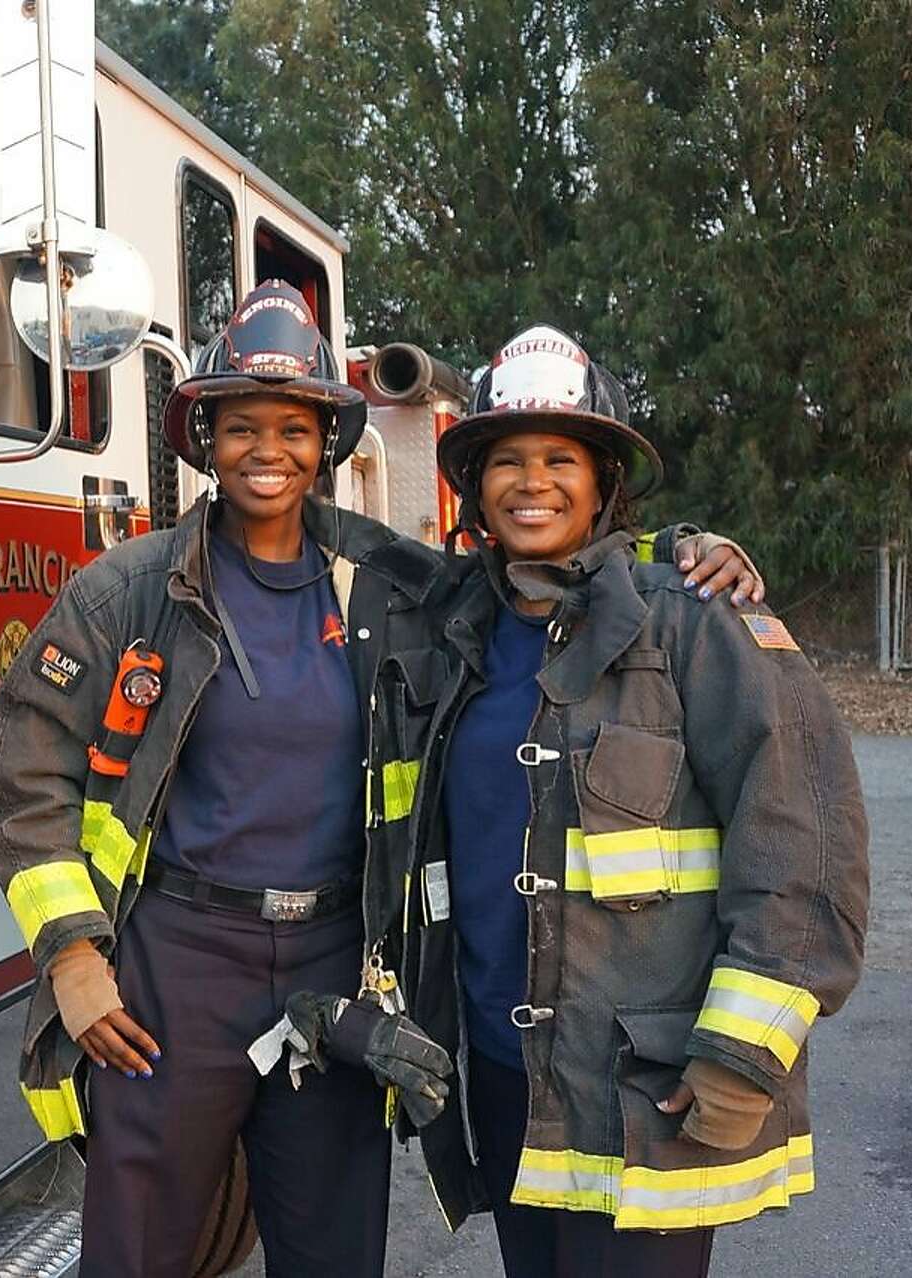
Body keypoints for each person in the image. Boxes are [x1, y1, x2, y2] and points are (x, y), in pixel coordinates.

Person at [0, 286, 764, 1278]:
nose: (269, 451)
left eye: (295, 429)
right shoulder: (125, 593)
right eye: (244, 427)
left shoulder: (392, 583)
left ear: (327, 444)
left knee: (334, 1248)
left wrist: (678, 552)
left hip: (338, 965)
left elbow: (543, 562)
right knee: (139, 1250)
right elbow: (21, 781)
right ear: (205, 438)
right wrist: (74, 958)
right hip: (177, 966)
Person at [337, 324, 866, 1278]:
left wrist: (744, 1054)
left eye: (559, 459)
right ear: (475, 485)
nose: (530, 482)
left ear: (603, 482)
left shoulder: (698, 624)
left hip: (644, 1087)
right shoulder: (456, 629)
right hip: (504, 1074)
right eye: (506, 460)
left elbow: (805, 848)